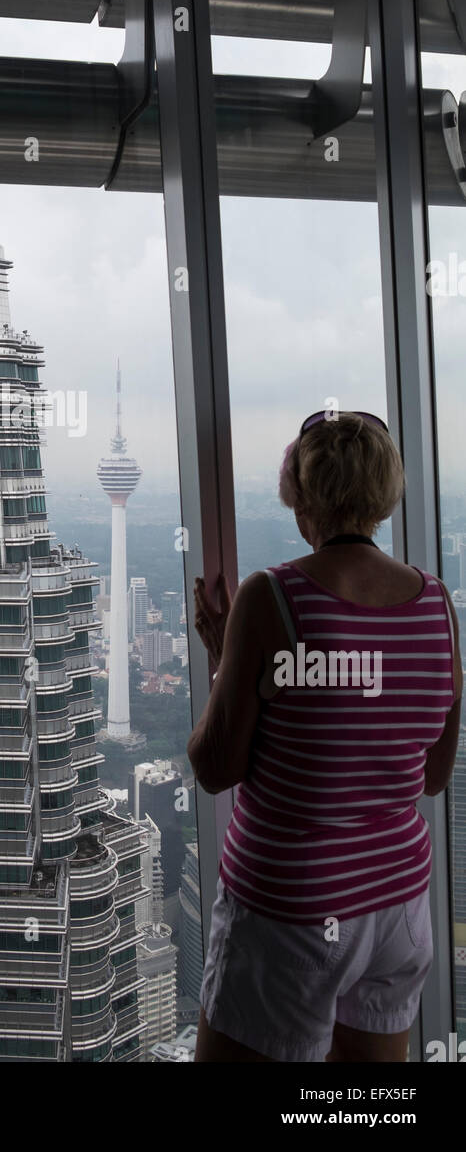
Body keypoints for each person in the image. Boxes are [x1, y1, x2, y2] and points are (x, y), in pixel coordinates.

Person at [189, 410, 462, 1062]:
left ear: (302, 497)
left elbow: (215, 767)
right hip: (398, 908)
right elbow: (433, 775)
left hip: (293, 912)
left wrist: (226, 658)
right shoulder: (438, 604)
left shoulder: (272, 596)